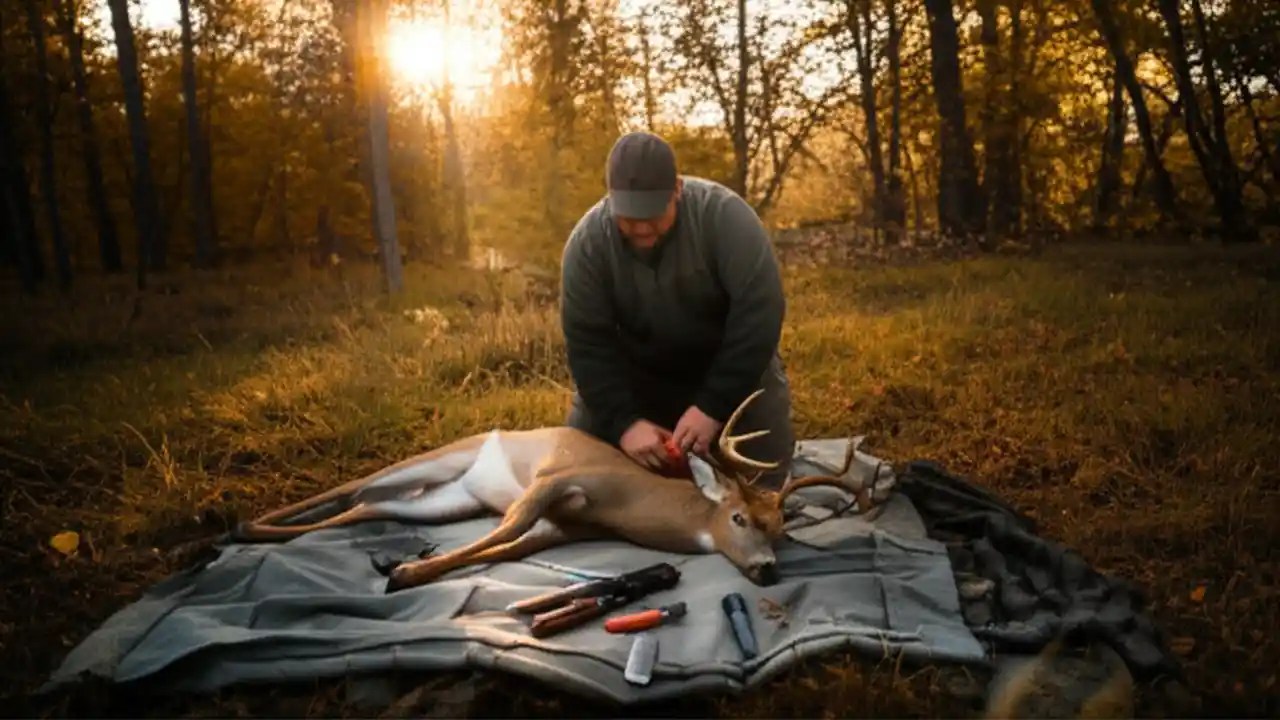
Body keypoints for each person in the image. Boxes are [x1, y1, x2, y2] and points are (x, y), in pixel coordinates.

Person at [558, 130, 794, 488]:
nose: (641, 227)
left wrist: (712, 407)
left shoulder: (726, 218)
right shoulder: (586, 246)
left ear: (678, 190)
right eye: (628, 216)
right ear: (610, 199)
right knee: (572, 477)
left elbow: (759, 316)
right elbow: (588, 347)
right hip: (637, 382)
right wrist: (624, 424)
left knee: (765, 488)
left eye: (653, 214)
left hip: (732, 379)